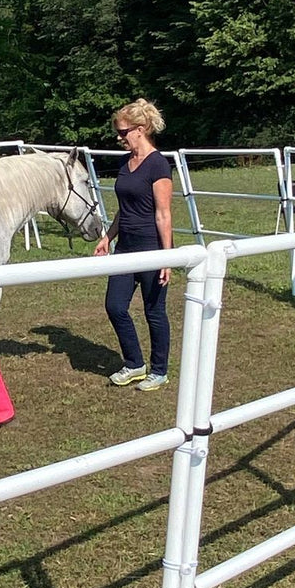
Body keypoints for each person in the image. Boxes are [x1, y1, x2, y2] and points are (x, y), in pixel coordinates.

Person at [94, 99, 174, 391]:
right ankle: (135, 364)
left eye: (124, 132)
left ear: (140, 130)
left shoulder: (158, 165)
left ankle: (160, 370)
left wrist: (166, 258)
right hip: (125, 246)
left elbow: (163, 213)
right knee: (115, 306)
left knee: (154, 311)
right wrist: (108, 237)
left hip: (151, 247)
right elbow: (124, 208)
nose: (120, 137)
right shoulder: (125, 164)